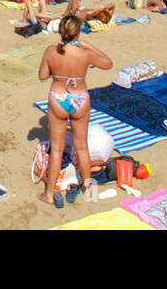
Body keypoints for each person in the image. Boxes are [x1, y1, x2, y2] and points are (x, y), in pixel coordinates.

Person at [37, 16, 112, 206]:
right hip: (79, 98)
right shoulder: (84, 53)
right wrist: (88, 45)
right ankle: (87, 189)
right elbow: (107, 63)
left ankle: (48, 194)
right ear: (77, 32)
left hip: (58, 97)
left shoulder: (51, 51)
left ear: (61, 30)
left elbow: (42, 76)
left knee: (57, 149)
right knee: (81, 147)